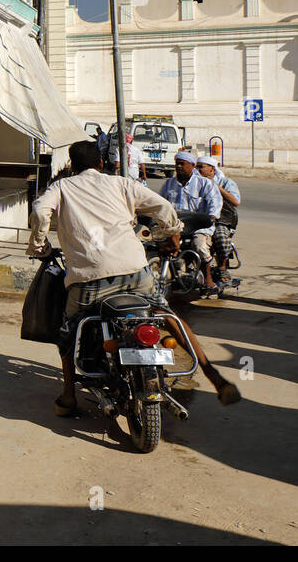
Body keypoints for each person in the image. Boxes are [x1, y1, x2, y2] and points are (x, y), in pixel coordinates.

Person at [28, 140, 240, 416]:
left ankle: (68, 395)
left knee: (68, 329)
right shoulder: (120, 183)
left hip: (89, 279)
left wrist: (38, 247)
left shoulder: (61, 187)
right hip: (135, 272)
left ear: (71, 167)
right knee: (166, 315)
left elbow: (40, 211)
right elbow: (162, 207)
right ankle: (216, 378)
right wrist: (171, 234)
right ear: (101, 164)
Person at [160, 151, 222, 293]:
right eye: (177, 164)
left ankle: (208, 279)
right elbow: (161, 202)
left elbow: (215, 202)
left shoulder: (204, 183)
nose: (179, 167)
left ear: (192, 166)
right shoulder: (169, 184)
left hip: (199, 226)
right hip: (175, 226)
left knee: (199, 245)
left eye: (182, 164)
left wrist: (211, 216)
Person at [195, 154, 242, 296]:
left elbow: (235, 202)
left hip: (222, 219)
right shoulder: (195, 182)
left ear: (212, 169)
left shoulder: (225, 182)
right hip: (199, 217)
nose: (198, 170)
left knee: (220, 237)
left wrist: (216, 187)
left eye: (201, 167)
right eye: (196, 167)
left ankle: (222, 269)